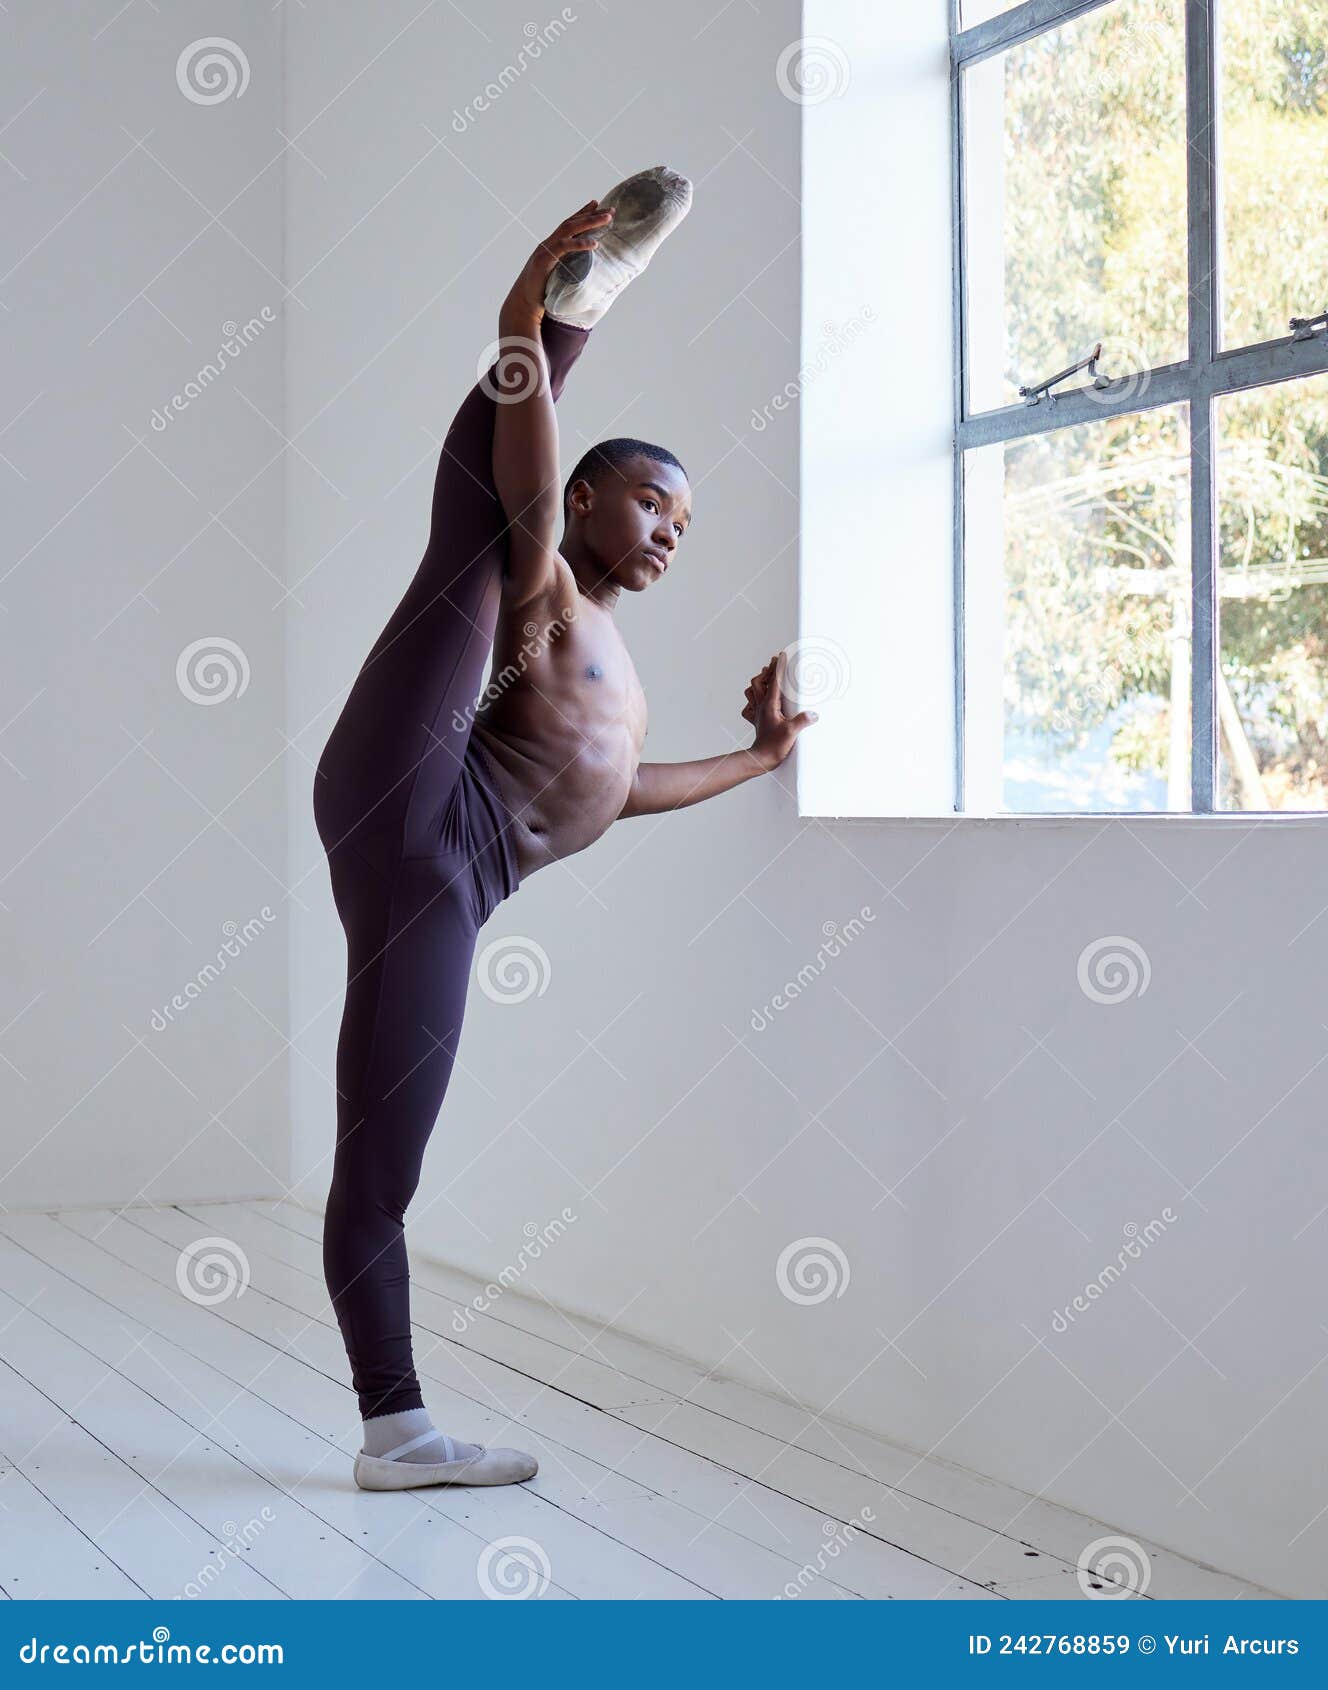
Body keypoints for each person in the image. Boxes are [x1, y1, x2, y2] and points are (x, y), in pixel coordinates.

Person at [312, 166, 818, 1492]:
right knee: (478, 535)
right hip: (414, 802)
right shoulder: (543, 591)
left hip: (456, 878)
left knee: (386, 1150)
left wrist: (762, 756)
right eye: (655, 499)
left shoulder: (604, 664)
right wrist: (529, 324)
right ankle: (579, 303)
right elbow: (521, 497)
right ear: (595, 499)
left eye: (687, 523)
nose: (671, 529)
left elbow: (615, 794)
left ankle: (394, 1429)